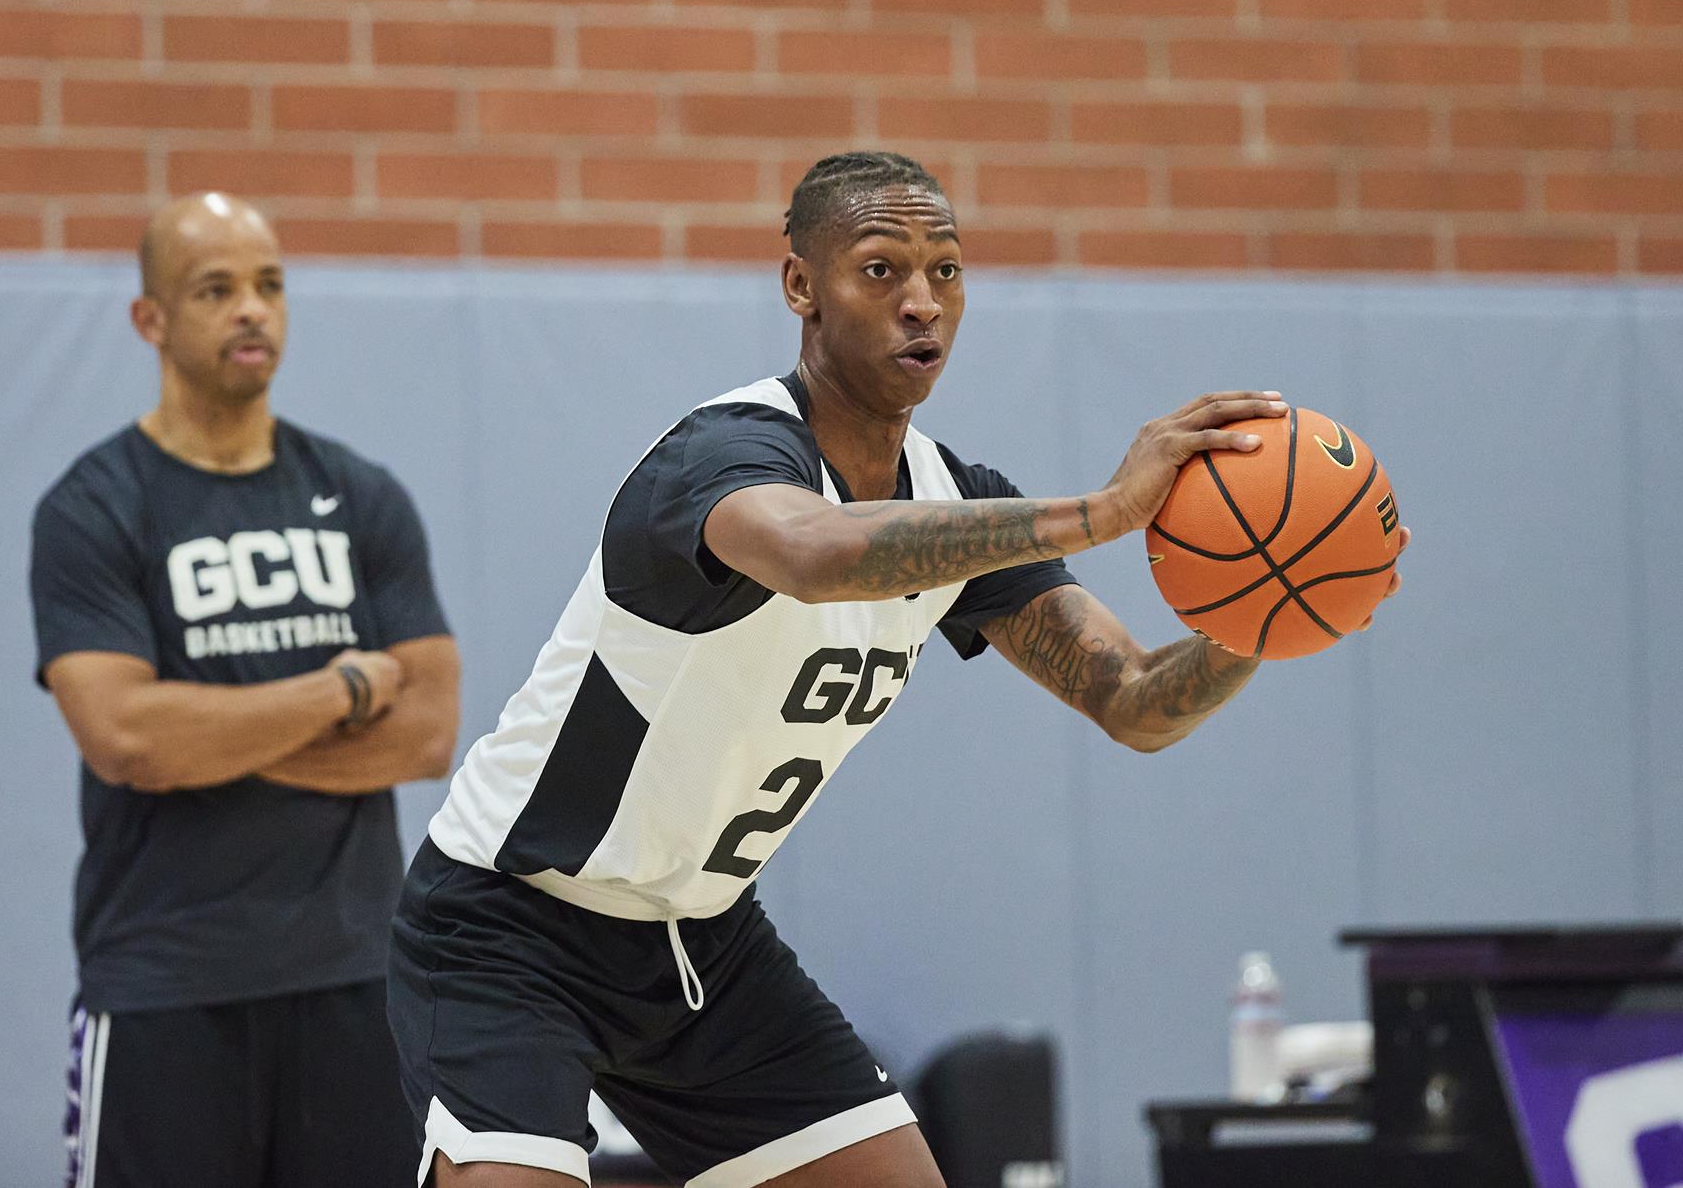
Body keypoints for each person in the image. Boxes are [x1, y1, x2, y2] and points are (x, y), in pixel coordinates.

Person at [387, 152, 1407, 1188]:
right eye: (880, 271)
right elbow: (818, 553)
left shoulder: (956, 502)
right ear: (801, 288)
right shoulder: (721, 457)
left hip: (700, 941)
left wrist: (1268, 614)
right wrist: (1102, 512)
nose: (921, 303)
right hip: (508, 924)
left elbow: (1134, 702)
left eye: (946, 273)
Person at [30, 192, 460, 1188]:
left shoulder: (361, 494)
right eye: (214, 289)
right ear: (151, 320)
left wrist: (209, 738)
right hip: (163, 987)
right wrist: (345, 686)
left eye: (267, 285)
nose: (251, 311)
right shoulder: (94, 507)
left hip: (353, 982)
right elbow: (129, 740)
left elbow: (428, 732)